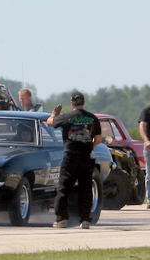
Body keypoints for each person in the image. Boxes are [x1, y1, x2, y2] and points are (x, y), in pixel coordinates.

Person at [46, 92, 102, 229]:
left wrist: (54, 114)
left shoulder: (66, 117)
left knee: (64, 188)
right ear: (84, 102)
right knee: (85, 189)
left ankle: (61, 219)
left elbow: (49, 123)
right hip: (87, 156)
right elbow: (99, 140)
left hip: (71, 156)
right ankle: (85, 220)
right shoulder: (92, 118)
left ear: (72, 103)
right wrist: (87, 145)